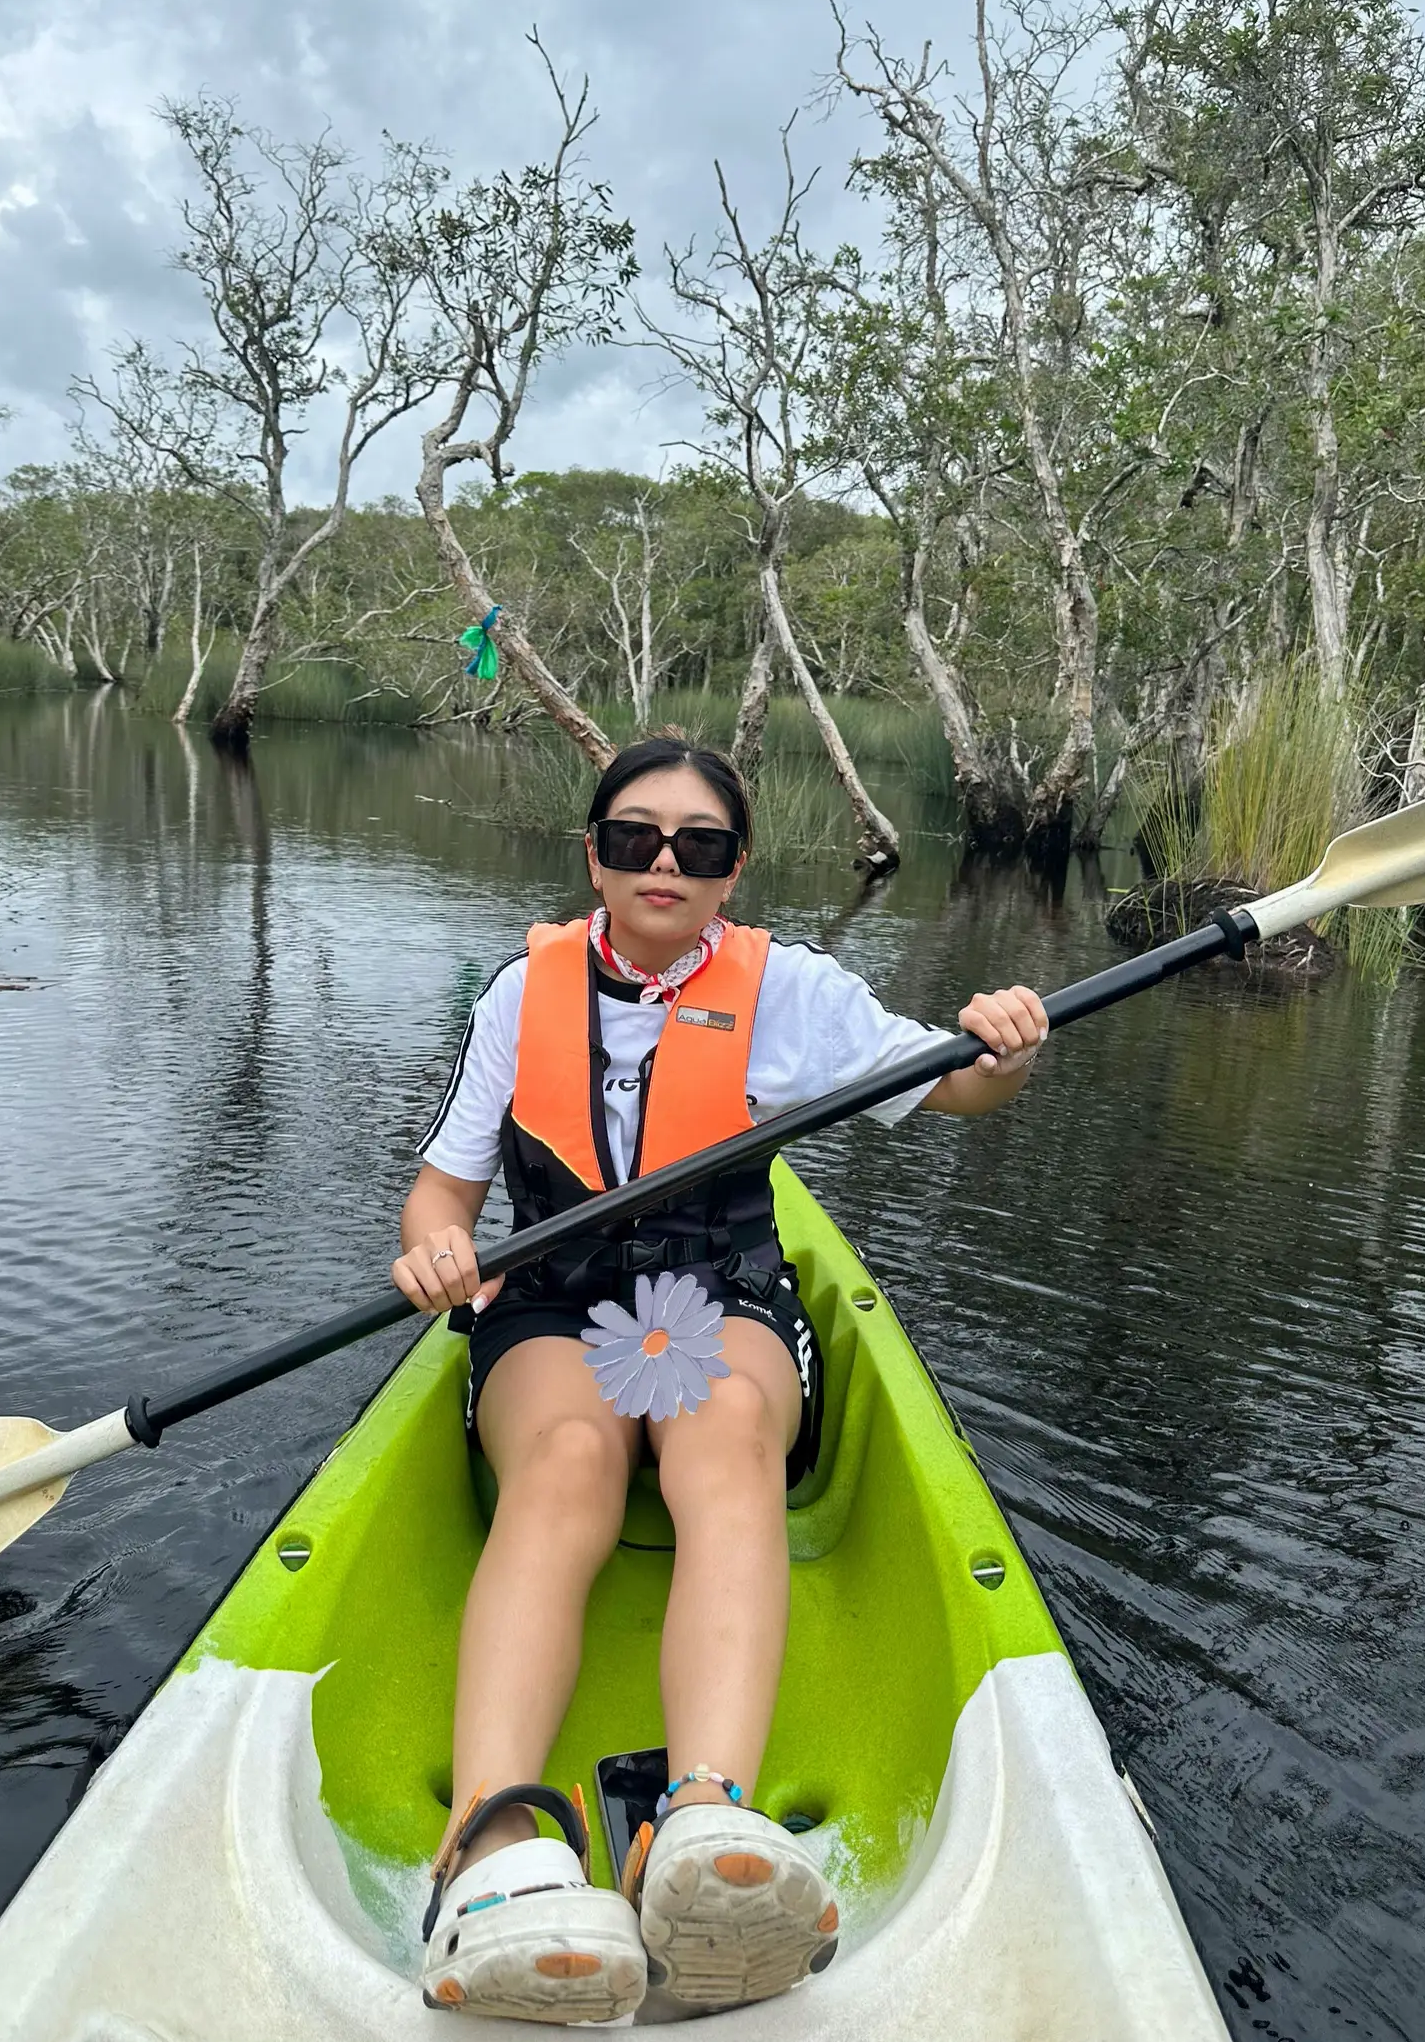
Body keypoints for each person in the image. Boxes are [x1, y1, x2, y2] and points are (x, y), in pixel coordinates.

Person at [397, 734, 1048, 2025]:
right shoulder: (519, 994)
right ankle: (488, 1846)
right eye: (633, 837)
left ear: (732, 869)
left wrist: (1005, 1052)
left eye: (697, 845)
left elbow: (957, 1087)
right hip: (556, 1300)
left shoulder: (788, 990)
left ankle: (703, 1822)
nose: (663, 864)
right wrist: (433, 1249)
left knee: (727, 1427)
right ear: (594, 856)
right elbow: (442, 1192)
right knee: (570, 1460)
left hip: (716, 1297)